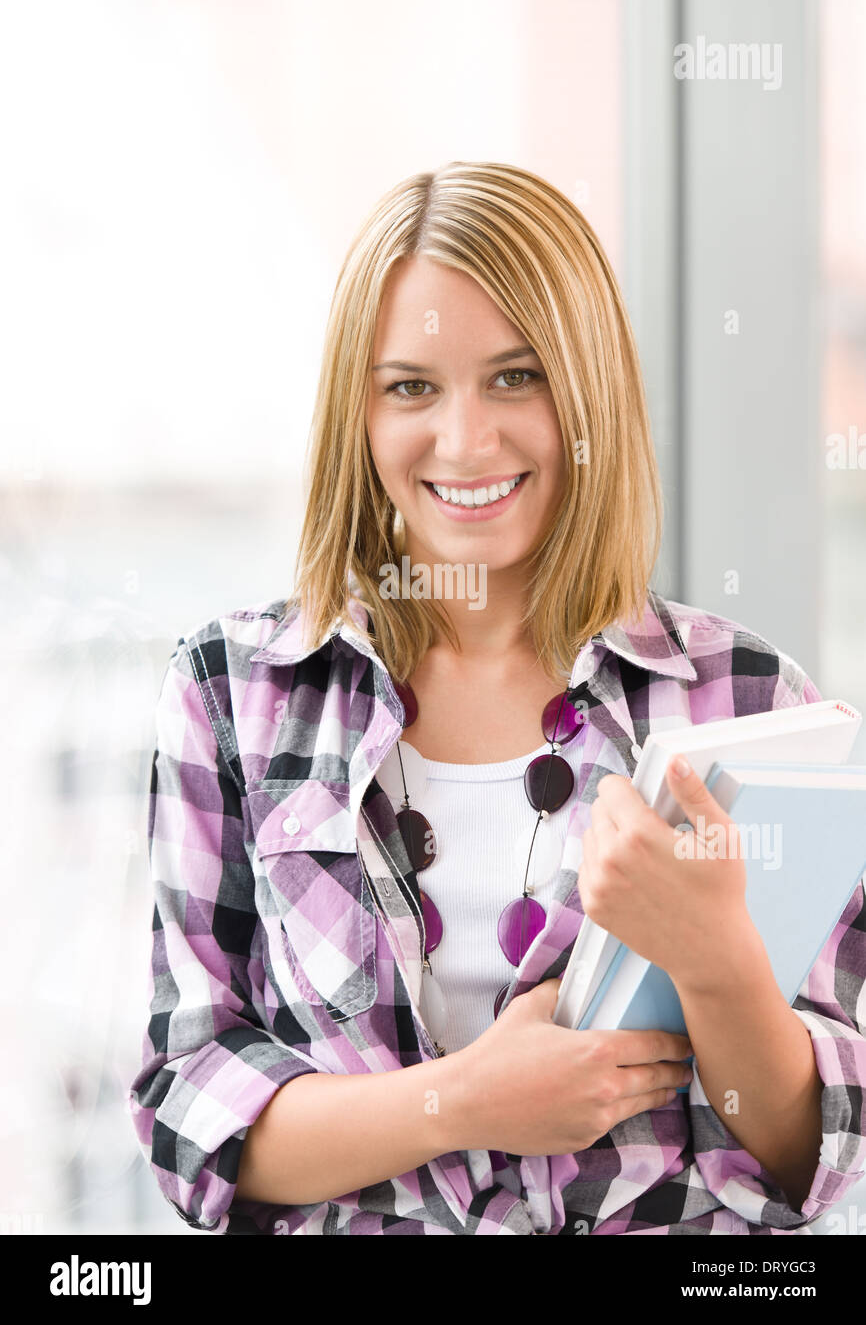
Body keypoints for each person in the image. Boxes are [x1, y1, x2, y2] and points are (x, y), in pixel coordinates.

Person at [127, 161, 866, 1235]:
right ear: (358, 412)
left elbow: (818, 1153)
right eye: (411, 386)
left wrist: (717, 962)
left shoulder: (743, 703)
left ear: (586, 392)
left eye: (515, 378)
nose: (465, 441)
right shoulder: (234, 694)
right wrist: (460, 1101)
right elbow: (187, 1108)